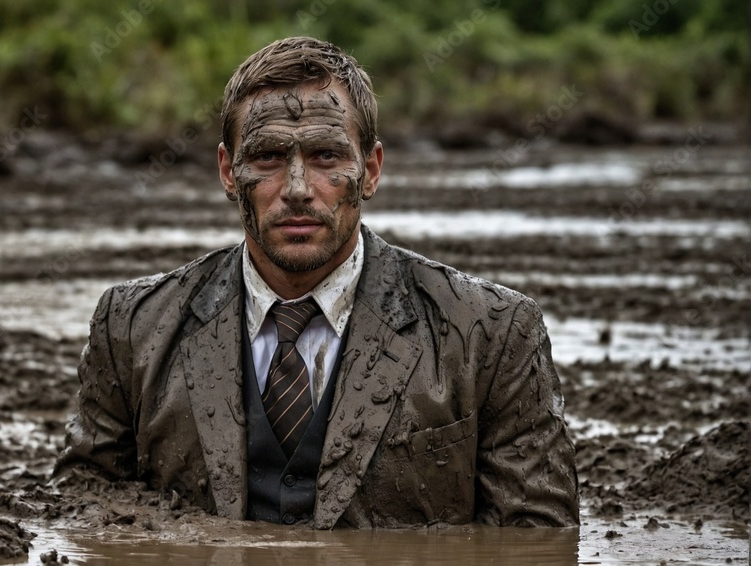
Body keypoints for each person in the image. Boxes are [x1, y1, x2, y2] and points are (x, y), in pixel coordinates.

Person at [56, 36, 579, 529]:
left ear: (370, 170)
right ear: (228, 171)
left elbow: (539, 537)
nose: (299, 189)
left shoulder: (495, 332)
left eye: (326, 156)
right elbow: (83, 503)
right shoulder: (131, 327)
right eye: (268, 157)